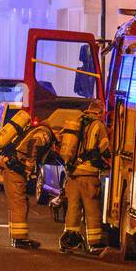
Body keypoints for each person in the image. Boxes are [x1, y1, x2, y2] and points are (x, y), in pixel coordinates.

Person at [56, 99, 112, 256]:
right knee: (92, 209)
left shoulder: (77, 122)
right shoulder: (98, 126)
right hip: (88, 175)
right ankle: (95, 244)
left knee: (73, 208)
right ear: (100, 112)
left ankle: (69, 239)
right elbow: (104, 146)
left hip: (72, 175)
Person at [0, 108, 55, 249]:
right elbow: (34, 144)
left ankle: (18, 237)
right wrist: (29, 166)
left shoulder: (34, 129)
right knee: (19, 204)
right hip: (15, 168)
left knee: (19, 203)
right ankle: (20, 239)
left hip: (11, 165)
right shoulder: (44, 133)